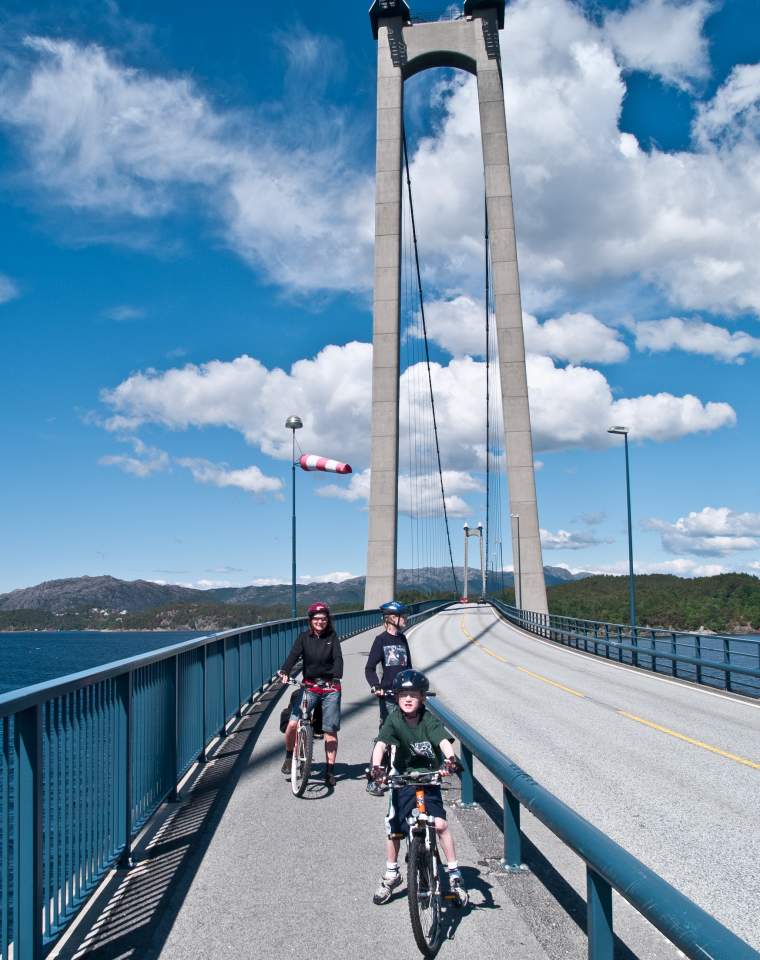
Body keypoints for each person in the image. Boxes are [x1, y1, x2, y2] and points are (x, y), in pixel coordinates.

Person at [368, 669, 467, 907]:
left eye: (414, 695)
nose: (408, 699)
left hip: (428, 779)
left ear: (422, 698)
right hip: (402, 779)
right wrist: (376, 768)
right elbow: (381, 744)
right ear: (397, 698)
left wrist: (450, 759)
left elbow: (442, 741)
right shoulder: (394, 719)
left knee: (440, 824)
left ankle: (454, 875)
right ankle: (392, 873)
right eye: (403, 695)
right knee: (394, 827)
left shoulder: (428, 719)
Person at [278, 601, 343, 787]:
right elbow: (293, 655)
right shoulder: (303, 638)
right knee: (292, 724)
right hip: (310, 686)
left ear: (327, 620)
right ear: (311, 621)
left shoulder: (332, 636)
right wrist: (285, 671)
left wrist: (336, 675)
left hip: (330, 687)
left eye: (323, 619)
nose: (320, 622)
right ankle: (290, 756)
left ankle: (330, 771)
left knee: (330, 730)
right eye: (316, 619)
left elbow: (338, 657)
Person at [365, 600, 412, 725]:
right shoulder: (381, 640)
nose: (406, 618)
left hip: (405, 695)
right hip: (388, 696)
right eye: (403, 616)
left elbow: (409, 667)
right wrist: (376, 685)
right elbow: (369, 668)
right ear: (392, 618)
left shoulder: (402, 638)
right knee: (387, 730)